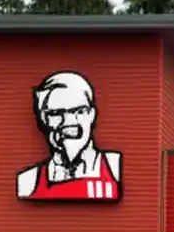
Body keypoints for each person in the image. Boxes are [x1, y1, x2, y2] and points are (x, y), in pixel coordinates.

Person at [17, 70, 122, 201]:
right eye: (55, 113)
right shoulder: (29, 182)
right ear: (44, 119)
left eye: (79, 111)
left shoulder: (115, 167)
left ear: (91, 114)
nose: (68, 122)